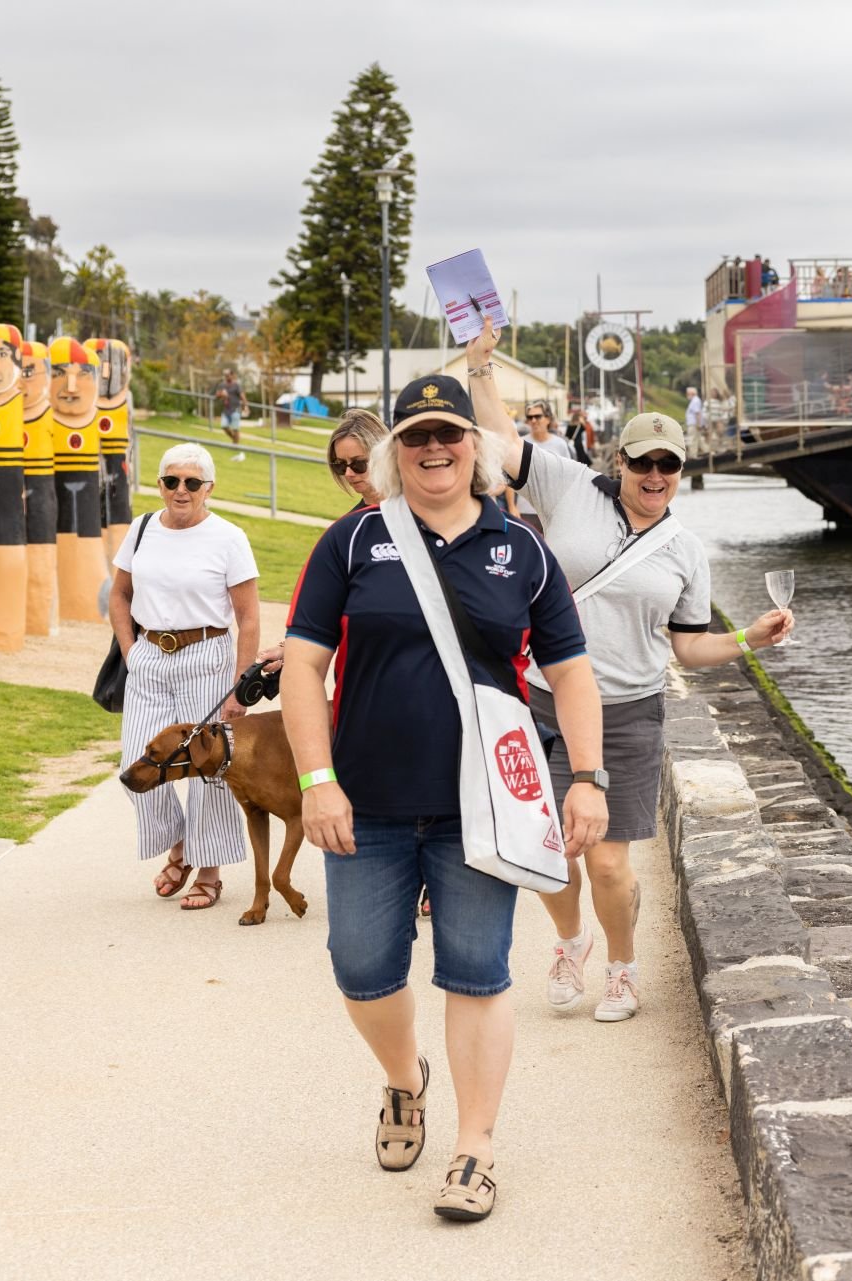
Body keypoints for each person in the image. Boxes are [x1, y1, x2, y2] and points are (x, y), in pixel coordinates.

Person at [281, 374, 607, 1222]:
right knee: (360, 968)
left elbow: (571, 671)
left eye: (450, 434)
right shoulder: (352, 542)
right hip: (369, 803)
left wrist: (588, 777)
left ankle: (476, 1148)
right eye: (417, 435)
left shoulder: (522, 548)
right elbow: (304, 666)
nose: (435, 448)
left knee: (477, 970)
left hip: (486, 808)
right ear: (396, 449)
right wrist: (318, 781)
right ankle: (403, 1078)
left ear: (477, 445)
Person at [464, 318, 793, 1023]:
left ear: (681, 471)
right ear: (618, 461)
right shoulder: (566, 486)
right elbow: (499, 442)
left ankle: (621, 965)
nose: (654, 477)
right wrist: (480, 369)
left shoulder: (684, 551)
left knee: (608, 861)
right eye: (642, 463)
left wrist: (749, 640)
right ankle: (569, 938)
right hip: (548, 699)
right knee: (550, 849)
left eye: (667, 466)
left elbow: (687, 647)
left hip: (629, 710)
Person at [110, 442, 262, 911]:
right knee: (137, 763)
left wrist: (240, 684)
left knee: (207, 767)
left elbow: (249, 616)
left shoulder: (229, 538)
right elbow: (119, 596)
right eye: (171, 481)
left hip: (207, 656)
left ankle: (208, 868)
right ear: (159, 484)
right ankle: (180, 844)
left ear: (208, 488)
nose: (181, 490)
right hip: (150, 656)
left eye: (192, 483)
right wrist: (131, 653)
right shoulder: (140, 530)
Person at [511, 400, 575, 532]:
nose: (533, 420)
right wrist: (512, 506)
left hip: (553, 510)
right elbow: (511, 477)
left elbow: (568, 478)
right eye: (530, 417)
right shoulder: (520, 444)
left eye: (538, 416)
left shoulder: (560, 445)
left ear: (548, 418)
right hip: (526, 510)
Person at [327, 407, 387, 509]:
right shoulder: (350, 523)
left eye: (358, 464)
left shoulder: (418, 509)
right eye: (340, 465)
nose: (348, 474)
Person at [214, 371, 245, 456]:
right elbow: (216, 396)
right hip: (226, 410)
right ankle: (235, 440)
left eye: (228, 375)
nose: (227, 377)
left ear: (232, 375)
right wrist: (221, 394)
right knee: (224, 426)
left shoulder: (236, 385)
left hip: (236, 409)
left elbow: (242, 396)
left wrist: (245, 406)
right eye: (225, 375)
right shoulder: (222, 385)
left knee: (235, 428)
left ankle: (235, 445)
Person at [683, 385, 705, 452]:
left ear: (692, 393)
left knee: (692, 439)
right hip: (694, 423)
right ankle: (708, 451)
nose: (687, 395)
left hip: (693, 424)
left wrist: (698, 424)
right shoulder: (695, 400)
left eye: (688, 393)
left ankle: (693, 455)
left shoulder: (695, 401)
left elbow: (697, 413)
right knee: (698, 439)